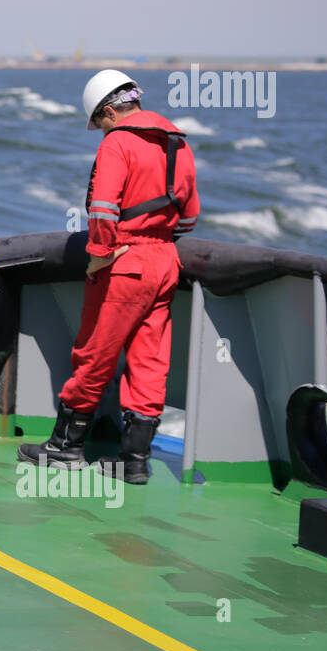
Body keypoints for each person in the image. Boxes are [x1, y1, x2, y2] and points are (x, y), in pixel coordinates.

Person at [17, 69, 200, 484]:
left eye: (98, 122)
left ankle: (66, 447)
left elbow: (102, 210)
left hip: (124, 261)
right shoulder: (178, 143)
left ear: (108, 112)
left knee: (95, 352)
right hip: (165, 260)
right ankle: (134, 460)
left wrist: (100, 254)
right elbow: (189, 215)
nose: (99, 131)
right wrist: (159, 236)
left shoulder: (118, 142)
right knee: (150, 358)